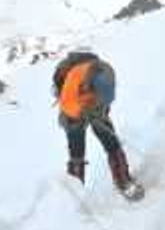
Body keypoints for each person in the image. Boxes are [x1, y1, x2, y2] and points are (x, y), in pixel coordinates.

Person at [52, 49, 144, 201]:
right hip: (72, 111)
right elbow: (69, 110)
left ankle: (124, 181)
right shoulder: (72, 89)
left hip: (92, 101)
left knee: (111, 140)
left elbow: (107, 99)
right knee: (77, 152)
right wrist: (85, 113)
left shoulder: (105, 74)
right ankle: (75, 195)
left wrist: (100, 113)